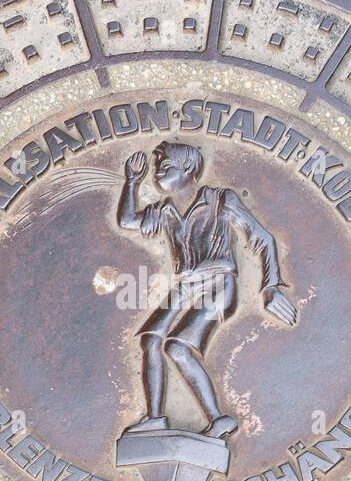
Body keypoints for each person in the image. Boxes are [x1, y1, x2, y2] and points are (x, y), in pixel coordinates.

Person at [117, 141, 297, 438]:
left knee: (177, 347)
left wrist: (271, 285)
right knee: (149, 339)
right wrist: (132, 181)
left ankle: (219, 419)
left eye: (165, 168)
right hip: (186, 284)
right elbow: (126, 220)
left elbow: (263, 238)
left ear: (188, 169)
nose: (157, 174)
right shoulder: (164, 210)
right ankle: (155, 418)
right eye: (156, 170)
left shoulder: (220, 201)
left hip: (217, 283)